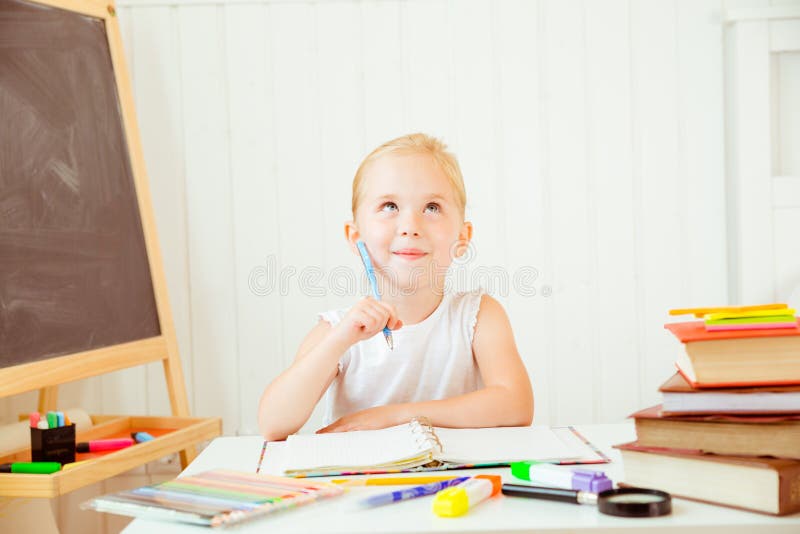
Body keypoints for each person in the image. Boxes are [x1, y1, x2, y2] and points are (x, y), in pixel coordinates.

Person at [258, 133, 533, 441]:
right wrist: (338, 341)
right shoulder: (338, 330)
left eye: (431, 207)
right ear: (355, 236)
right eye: (389, 205)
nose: (410, 226)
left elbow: (517, 405)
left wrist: (395, 417)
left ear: (463, 237)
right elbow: (273, 424)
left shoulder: (479, 316)